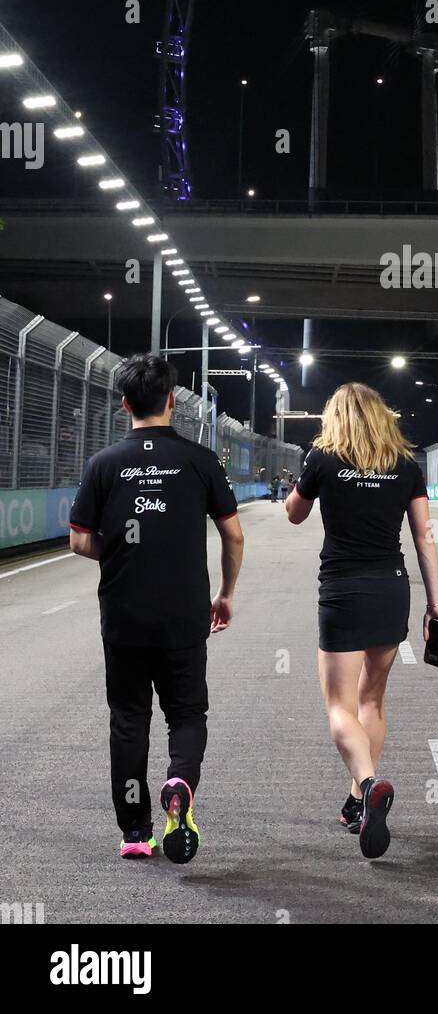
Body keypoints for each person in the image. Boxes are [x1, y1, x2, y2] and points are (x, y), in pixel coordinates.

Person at [69, 354, 244, 861]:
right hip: (185, 612)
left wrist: (122, 547)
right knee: (187, 712)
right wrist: (226, 594)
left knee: (128, 718)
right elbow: (233, 534)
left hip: (123, 616)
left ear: (125, 404)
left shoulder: (104, 463)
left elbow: (79, 542)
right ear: (173, 401)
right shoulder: (200, 460)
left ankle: (135, 832)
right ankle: (179, 784)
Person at [284, 382, 438, 859]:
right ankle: (359, 802)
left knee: (339, 707)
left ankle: (367, 781)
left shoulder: (322, 459)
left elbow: (294, 515)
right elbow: (424, 538)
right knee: (371, 701)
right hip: (391, 588)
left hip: (342, 588)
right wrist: (434, 604)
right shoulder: (405, 466)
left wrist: (306, 484)